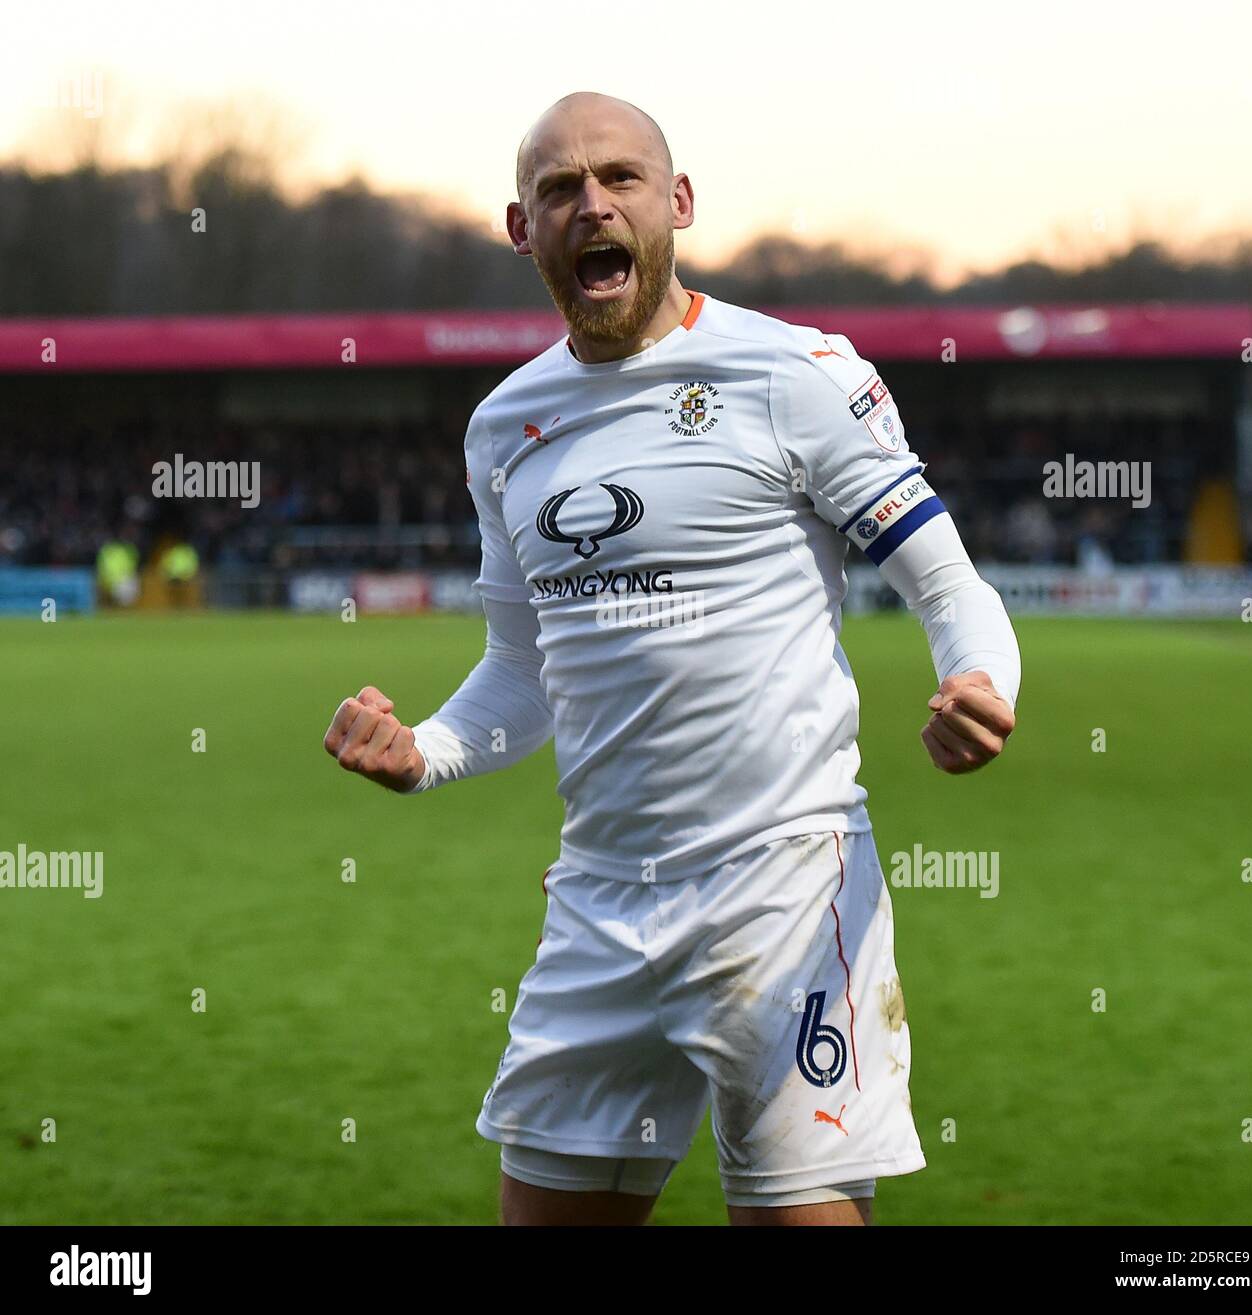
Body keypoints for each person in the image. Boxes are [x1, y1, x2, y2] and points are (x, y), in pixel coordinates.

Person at [323, 92, 1021, 1227]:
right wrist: (426, 753)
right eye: (558, 189)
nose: (590, 203)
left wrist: (985, 684)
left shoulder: (794, 373)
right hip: (598, 899)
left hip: (785, 888)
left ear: (677, 203)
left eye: (620, 179)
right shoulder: (505, 427)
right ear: (521, 228)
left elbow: (949, 589)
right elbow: (520, 669)